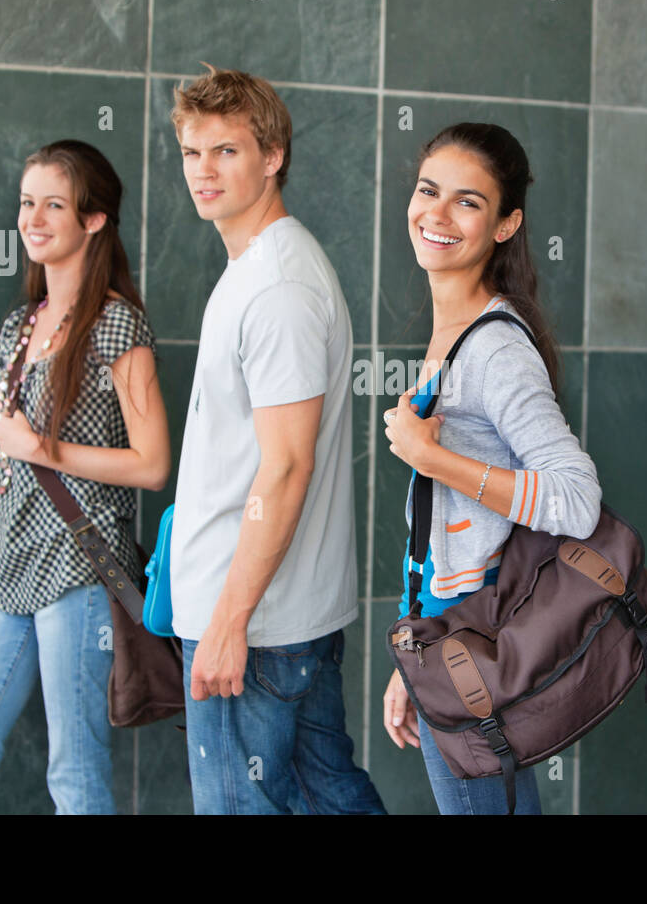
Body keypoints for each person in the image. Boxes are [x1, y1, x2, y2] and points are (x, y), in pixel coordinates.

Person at [166, 66, 384, 814]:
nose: (204, 171)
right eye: (192, 153)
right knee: (331, 796)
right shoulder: (258, 270)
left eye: (225, 151)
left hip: (256, 626)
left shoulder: (280, 288)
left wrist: (229, 621)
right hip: (284, 617)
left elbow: (287, 467)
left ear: (274, 154)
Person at [0, 140, 172, 814]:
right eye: (26, 202)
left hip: (80, 576)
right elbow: (0, 473)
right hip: (9, 576)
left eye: (54, 204)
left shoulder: (118, 325)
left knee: (75, 779)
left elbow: (152, 466)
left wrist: (43, 446)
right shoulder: (20, 328)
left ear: (93, 220)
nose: (34, 217)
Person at [380, 122, 602, 815]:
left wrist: (431, 457)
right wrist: (410, 648)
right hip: (441, 632)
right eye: (428, 191)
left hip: (474, 637)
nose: (436, 215)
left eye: (467, 203)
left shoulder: (496, 350)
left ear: (508, 224)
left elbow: (575, 498)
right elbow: (444, 527)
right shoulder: (452, 330)